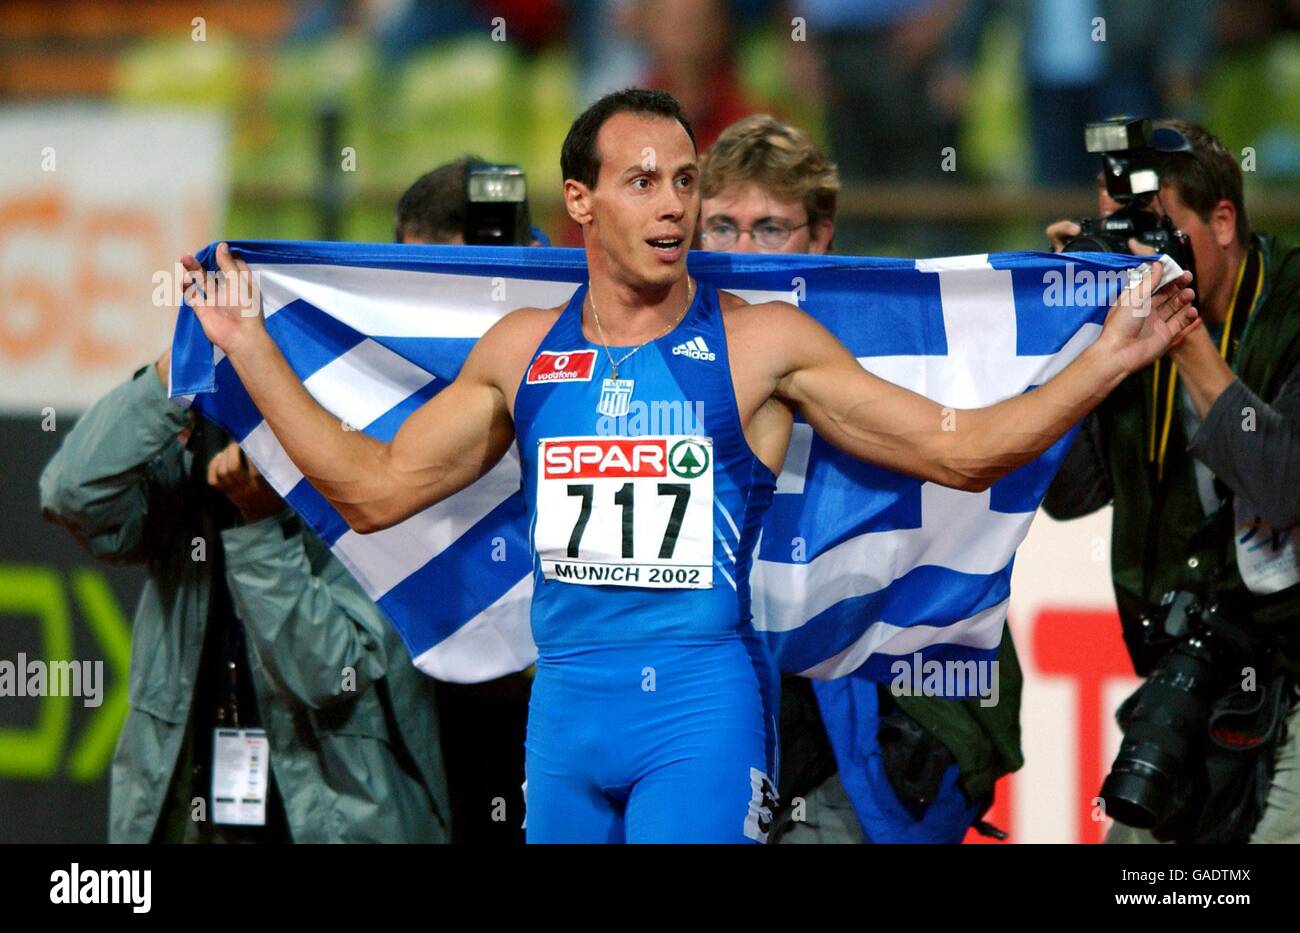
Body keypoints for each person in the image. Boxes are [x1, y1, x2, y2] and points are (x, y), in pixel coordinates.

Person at [182, 87, 1197, 844]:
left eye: (684, 181)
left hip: (698, 716)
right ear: (579, 202)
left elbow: (962, 451)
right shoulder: (524, 351)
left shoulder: (761, 345)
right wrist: (254, 350)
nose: (671, 207)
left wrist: (1107, 357)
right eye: (640, 183)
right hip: (566, 717)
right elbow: (370, 490)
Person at [700, 113, 1022, 844]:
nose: (742, 250)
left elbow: (981, 468)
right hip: (711, 733)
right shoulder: (654, 355)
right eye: (721, 225)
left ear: (820, 235)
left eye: (769, 227)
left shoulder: (904, 353)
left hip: (866, 746)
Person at [39, 349, 450, 843]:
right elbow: (68, 493)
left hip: (336, 820)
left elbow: (324, 674)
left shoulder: (371, 468)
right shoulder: (186, 460)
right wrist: (169, 380)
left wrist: (261, 525)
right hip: (196, 815)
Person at [1043, 119, 1300, 844]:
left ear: (1222, 221)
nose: (1136, 251)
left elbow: (1283, 484)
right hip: (1191, 670)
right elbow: (1069, 494)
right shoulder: (1129, 324)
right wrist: (1072, 342)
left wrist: (1179, 329)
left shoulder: (1291, 308)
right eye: (1120, 226)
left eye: (1154, 229)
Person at [395, 157, 538, 845]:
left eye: (447, 277)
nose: (431, 298)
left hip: (564, 674)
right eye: (414, 274)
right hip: (438, 668)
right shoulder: (381, 350)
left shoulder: (588, 316)